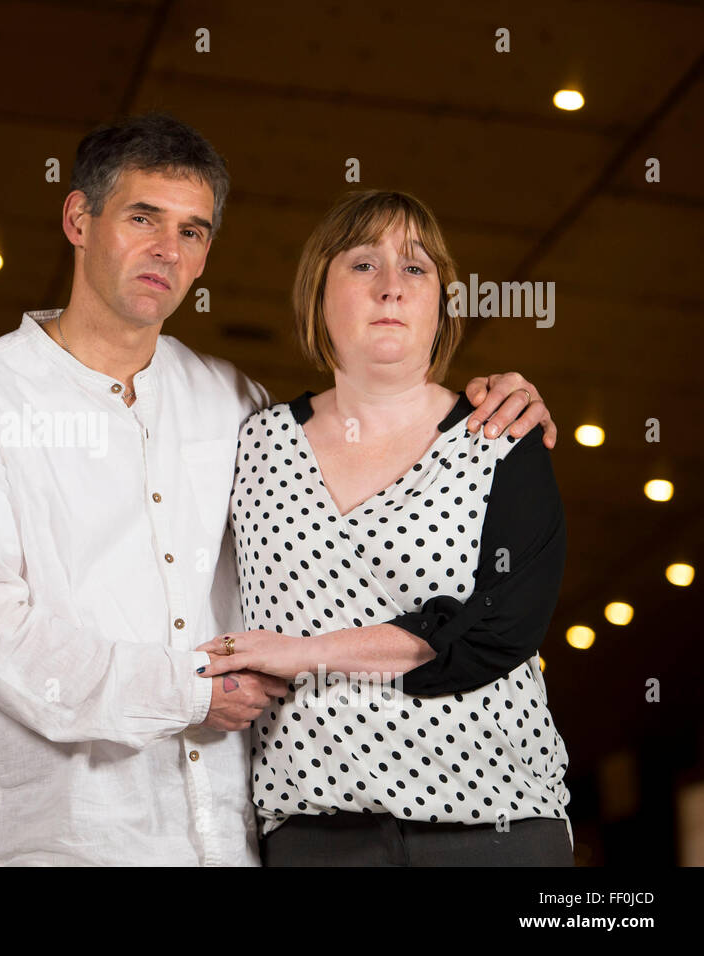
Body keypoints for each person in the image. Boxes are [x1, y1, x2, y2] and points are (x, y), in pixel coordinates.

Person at [0, 112, 557, 866]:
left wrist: (499, 399)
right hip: (65, 839)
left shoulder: (232, 403)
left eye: (193, 231)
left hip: (232, 839)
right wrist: (187, 691)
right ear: (79, 218)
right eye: (142, 218)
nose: (166, 250)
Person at [195, 189, 572, 866]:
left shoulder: (502, 438)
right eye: (363, 265)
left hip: (495, 826)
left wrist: (303, 651)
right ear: (318, 295)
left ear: (440, 305)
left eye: (417, 268)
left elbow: (497, 631)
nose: (392, 287)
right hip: (316, 835)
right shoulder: (252, 443)